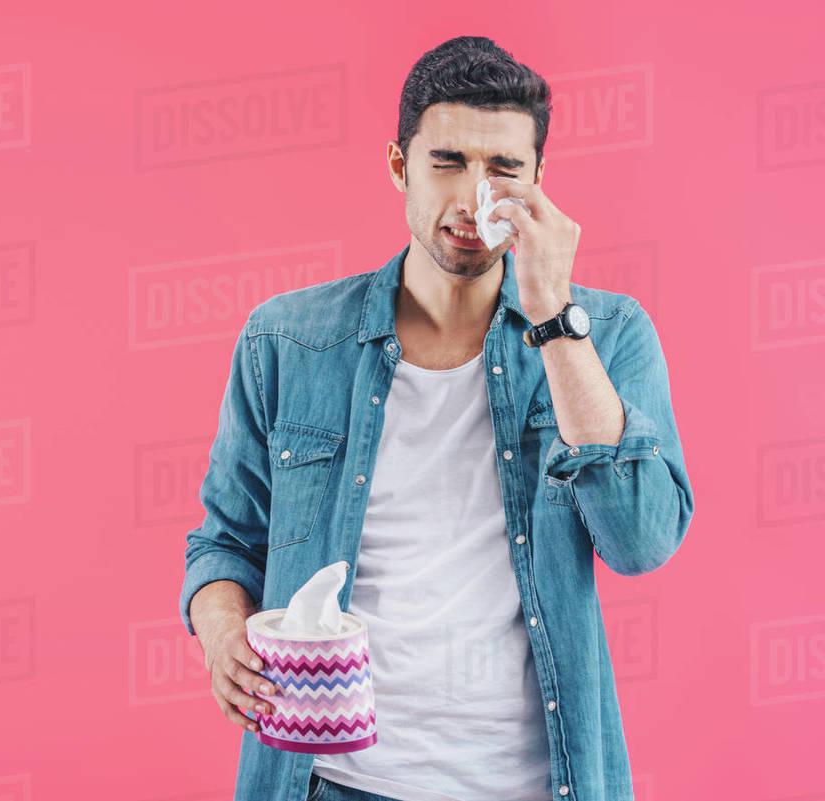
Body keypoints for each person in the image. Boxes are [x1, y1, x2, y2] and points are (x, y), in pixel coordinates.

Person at [179, 35, 694, 801]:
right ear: (399, 165)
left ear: (539, 181)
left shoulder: (607, 335)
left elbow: (642, 540)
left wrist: (553, 315)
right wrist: (225, 636)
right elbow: (223, 544)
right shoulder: (287, 341)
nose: (470, 199)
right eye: (446, 161)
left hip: (532, 783)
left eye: (502, 170)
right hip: (329, 781)